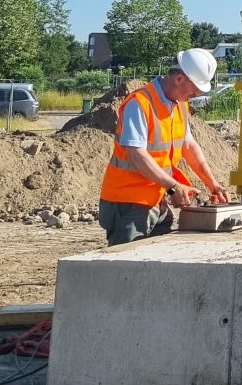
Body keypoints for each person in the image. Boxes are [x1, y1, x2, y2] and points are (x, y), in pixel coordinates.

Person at [98, 48, 231, 246]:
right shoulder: (140, 103)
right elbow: (136, 155)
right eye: (195, 88)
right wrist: (173, 187)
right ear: (179, 78)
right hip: (128, 201)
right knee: (125, 270)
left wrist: (212, 184)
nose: (196, 94)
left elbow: (188, 145)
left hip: (156, 200)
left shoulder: (179, 105)